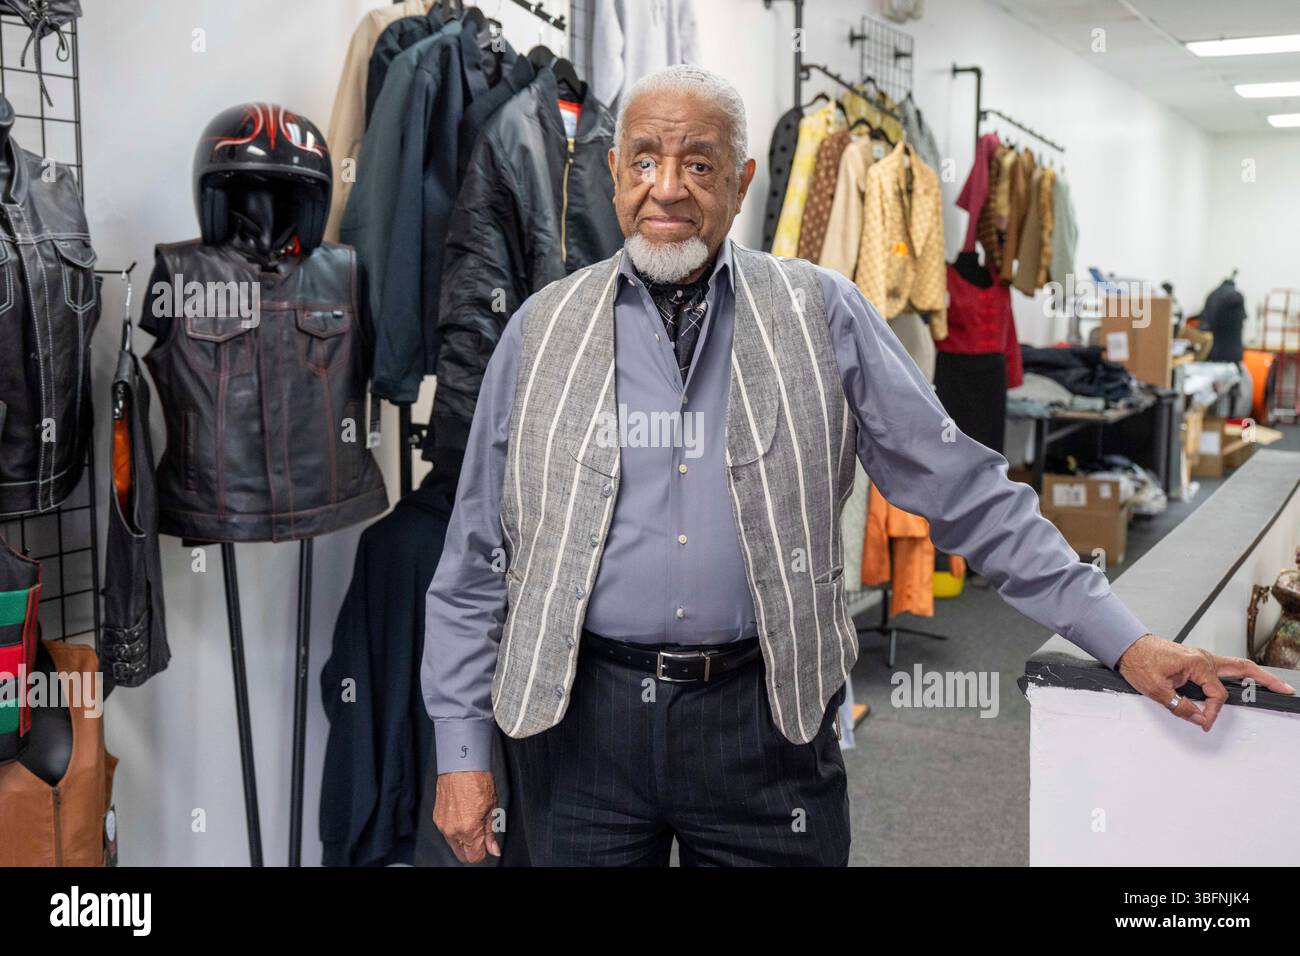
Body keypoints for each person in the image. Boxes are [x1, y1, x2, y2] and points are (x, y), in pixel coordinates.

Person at [421, 65, 1293, 866]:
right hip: (581, 728)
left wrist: (1125, 639)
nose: (668, 188)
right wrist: (461, 750)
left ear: (744, 179)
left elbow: (965, 490)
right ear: (614, 174)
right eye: (645, 160)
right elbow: (473, 561)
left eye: (699, 162)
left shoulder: (819, 312)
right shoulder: (540, 330)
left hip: (766, 725)